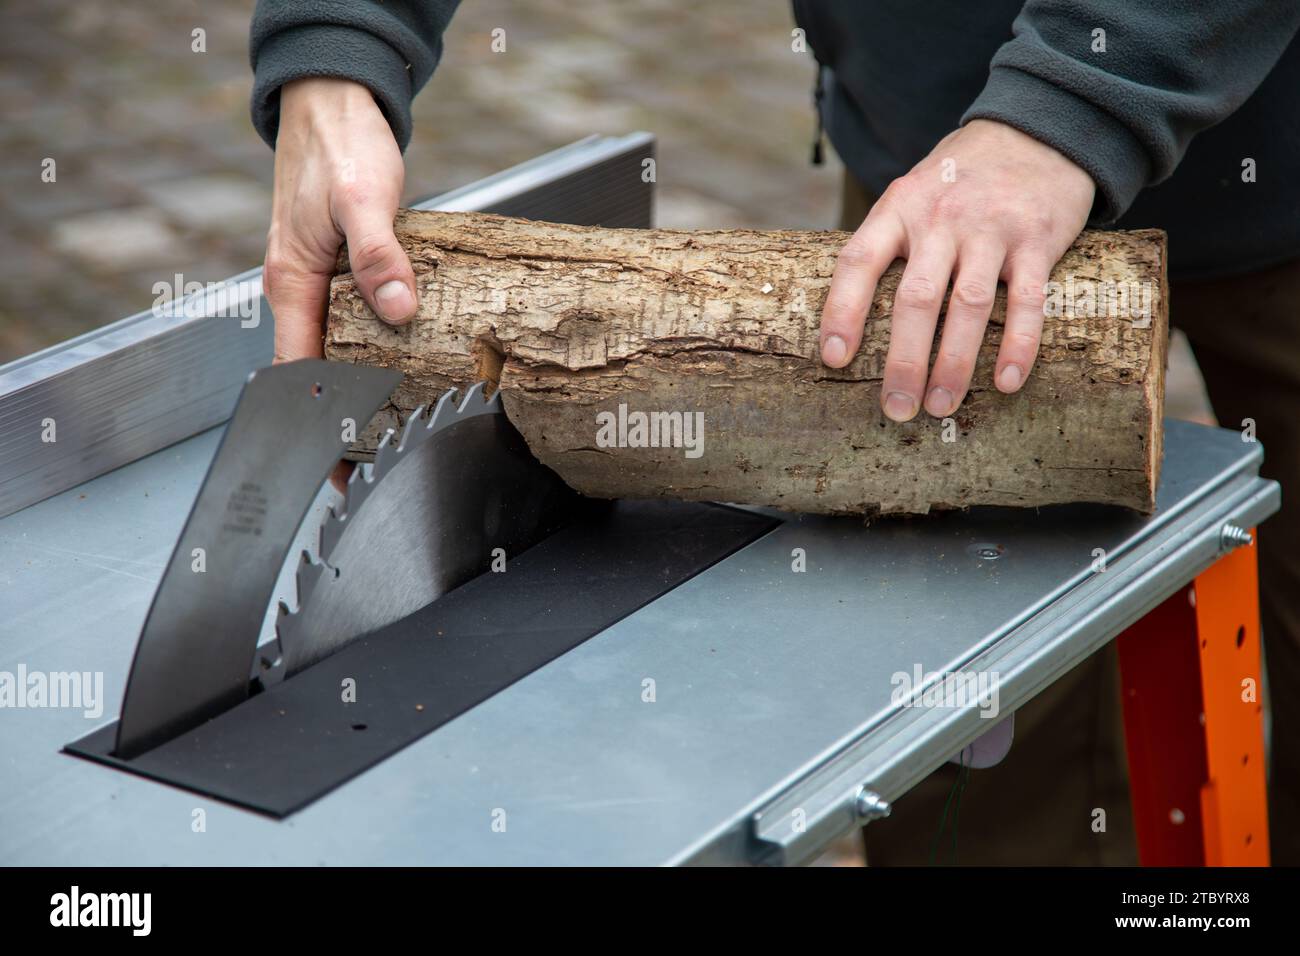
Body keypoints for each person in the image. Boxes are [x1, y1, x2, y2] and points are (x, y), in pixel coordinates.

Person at [249, 0, 1300, 864]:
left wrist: (1073, 105)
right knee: (973, 761)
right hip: (931, 195)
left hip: (1269, 153)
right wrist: (338, 50)